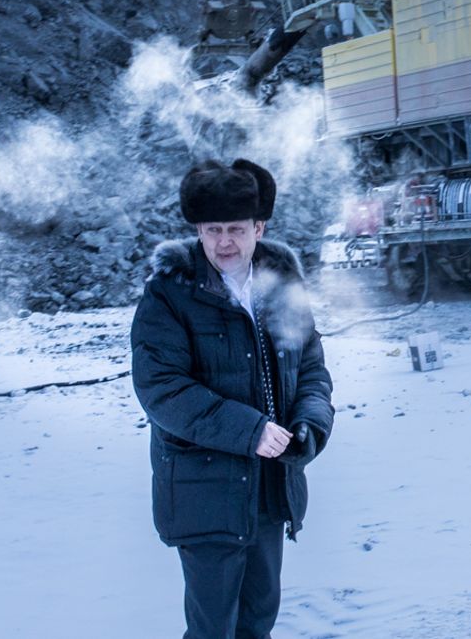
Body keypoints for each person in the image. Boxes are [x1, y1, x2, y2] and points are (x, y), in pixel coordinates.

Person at [131, 157, 334, 639]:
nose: (224, 242)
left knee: (258, 620)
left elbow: (310, 366)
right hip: (205, 490)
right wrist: (250, 430)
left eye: (236, 229)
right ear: (198, 231)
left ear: (259, 227)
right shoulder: (170, 293)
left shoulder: (281, 284)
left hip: (270, 486)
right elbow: (162, 389)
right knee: (212, 629)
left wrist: (310, 425)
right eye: (213, 230)